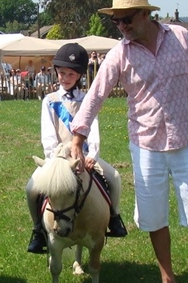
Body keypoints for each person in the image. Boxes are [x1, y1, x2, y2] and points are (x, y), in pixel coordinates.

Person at [69, 0, 188, 283]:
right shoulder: (120, 54)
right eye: (117, 21)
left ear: (145, 14)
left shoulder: (182, 38)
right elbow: (96, 94)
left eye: (127, 19)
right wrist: (79, 135)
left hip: (186, 141)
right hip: (145, 146)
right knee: (154, 216)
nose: (122, 26)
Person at [25, 43, 127, 254]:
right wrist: (54, 159)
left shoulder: (88, 99)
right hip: (58, 159)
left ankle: (114, 217)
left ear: (79, 75)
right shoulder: (49, 101)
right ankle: (37, 230)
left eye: (71, 74)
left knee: (115, 177)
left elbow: (94, 128)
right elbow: (48, 135)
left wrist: (92, 155)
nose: (65, 77)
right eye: (62, 73)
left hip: (85, 157)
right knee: (31, 189)